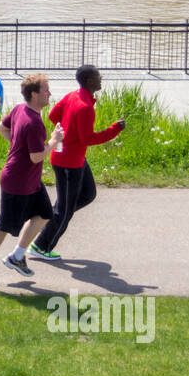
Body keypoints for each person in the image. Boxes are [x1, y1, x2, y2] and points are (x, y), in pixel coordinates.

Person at [0, 73, 63, 288]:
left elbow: (1, 128)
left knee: (45, 214)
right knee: (3, 226)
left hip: (30, 180)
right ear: (34, 94)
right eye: (45, 90)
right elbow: (36, 156)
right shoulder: (35, 124)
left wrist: (17, 147)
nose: (49, 94)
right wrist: (54, 141)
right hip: (17, 182)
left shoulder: (20, 109)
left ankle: (17, 256)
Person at [28, 64, 124, 262]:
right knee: (64, 211)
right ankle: (41, 246)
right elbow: (88, 139)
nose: (100, 79)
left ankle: (60, 211)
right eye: (98, 76)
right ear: (89, 81)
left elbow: (54, 115)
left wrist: (65, 133)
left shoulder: (74, 96)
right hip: (68, 164)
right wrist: (115, 129)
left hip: (73, 158)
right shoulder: (86, 107)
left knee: (88, 194)